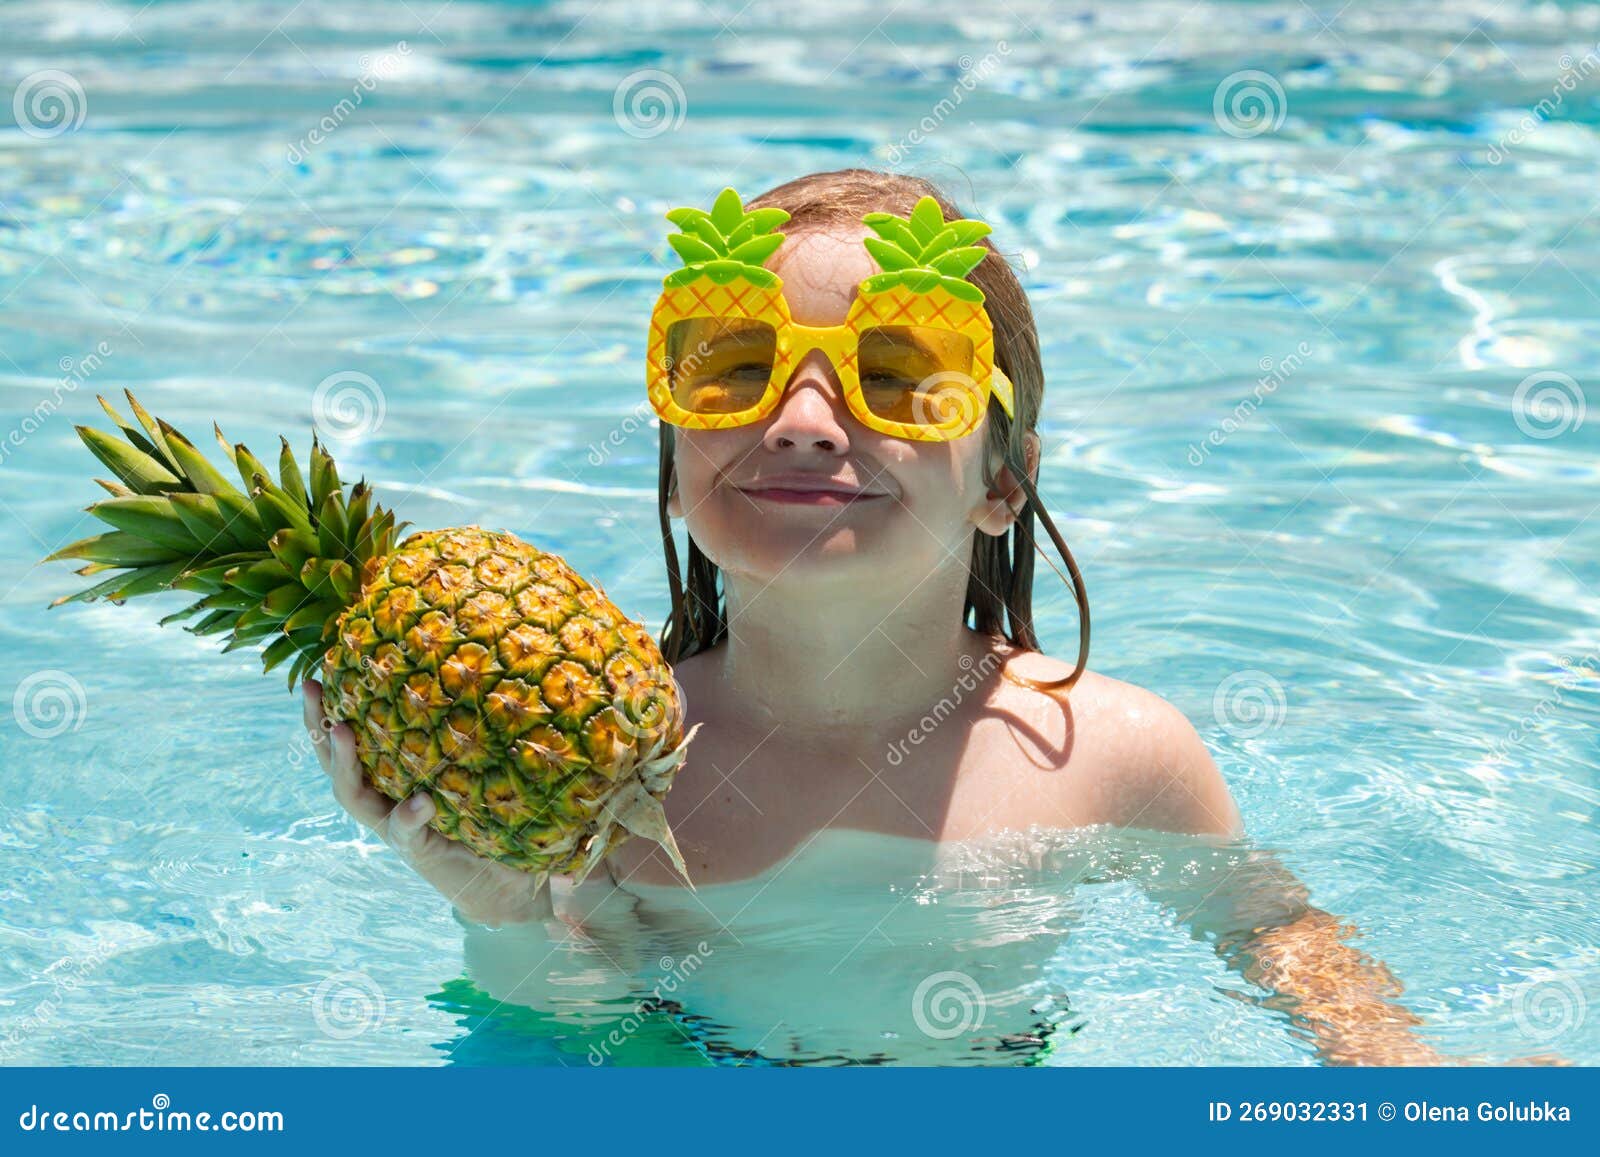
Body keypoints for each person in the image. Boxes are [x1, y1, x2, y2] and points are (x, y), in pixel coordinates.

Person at [302, 168, 1552, 1066]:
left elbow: (1272, 932)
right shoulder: (596, 763)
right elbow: (585, 1042)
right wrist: (500, 909)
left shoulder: (1110, 753)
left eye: (897, 380)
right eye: (735, 369)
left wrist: (1408, 1076)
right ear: (677, 452)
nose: (800, 419)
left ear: (1003, 479)